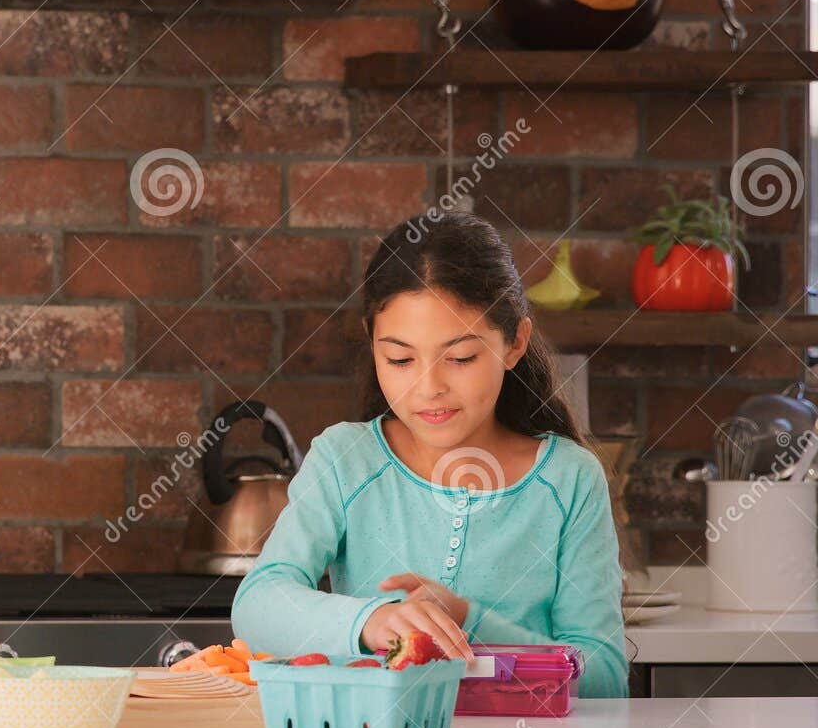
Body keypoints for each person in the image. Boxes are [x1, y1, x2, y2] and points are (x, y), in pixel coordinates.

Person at [231, 211, 628, 698]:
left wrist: (467, 618)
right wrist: (371, 620)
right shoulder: (346, 459)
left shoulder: (569, 479)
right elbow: (257, 605)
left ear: (515, 342)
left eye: (461, 358)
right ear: (372, 343)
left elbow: (605, 677)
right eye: (399, 359)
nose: (429, 387)